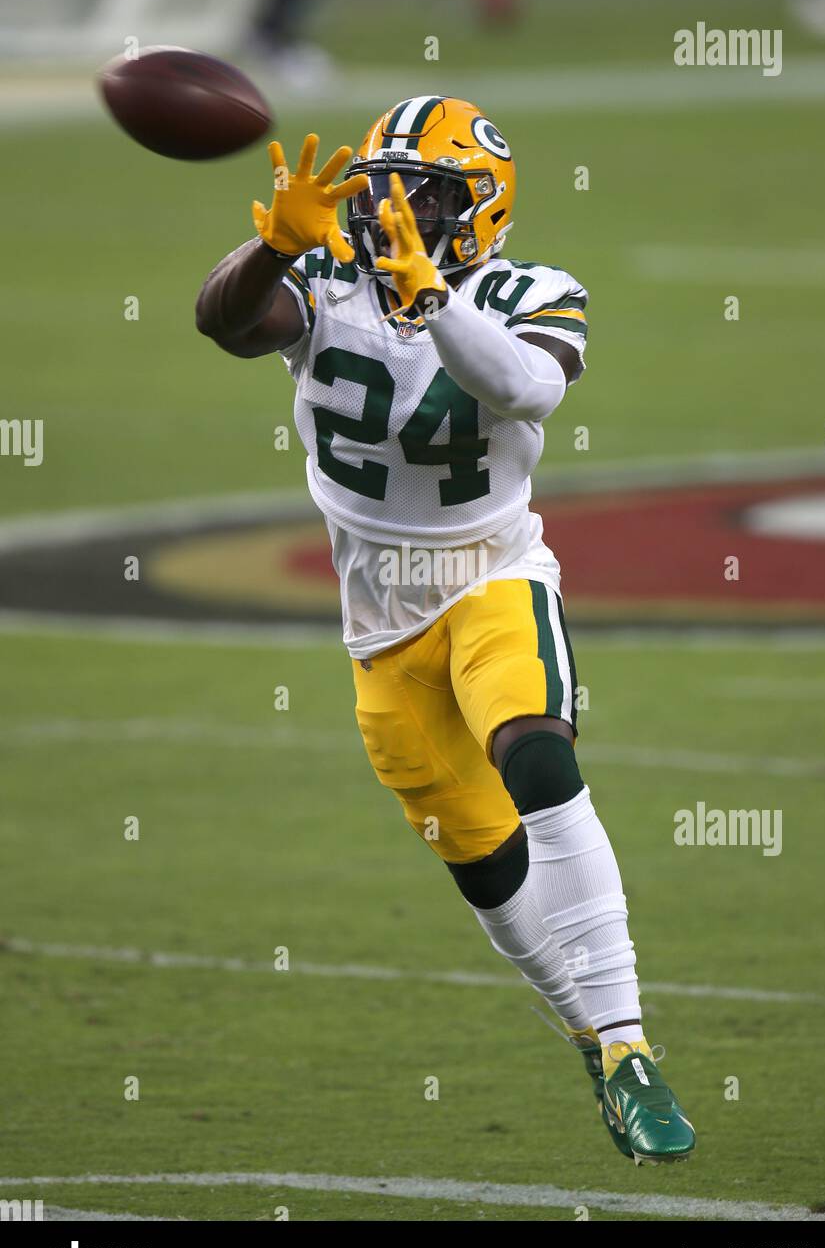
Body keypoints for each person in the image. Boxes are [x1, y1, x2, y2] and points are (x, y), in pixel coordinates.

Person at [195, 95, 695, 1165]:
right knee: (484, 866)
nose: (390, 210)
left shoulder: (534, 291)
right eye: (382, 187)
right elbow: (222, 320)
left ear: (477, 209)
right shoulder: (331, 278)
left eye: (418, 193)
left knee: (537, 752)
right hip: (376, 623)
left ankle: (629, 1039)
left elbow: (523, 389)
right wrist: (269, 245)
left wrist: (432, 304)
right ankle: (592, 1040)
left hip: (489, 575)